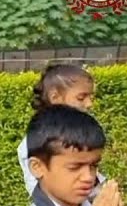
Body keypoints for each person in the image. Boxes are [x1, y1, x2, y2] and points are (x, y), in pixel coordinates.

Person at [19, 64, 97, 193]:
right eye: (81, 98)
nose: (89, 104)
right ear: (55, 98)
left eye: (91, 97)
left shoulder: (84, 134)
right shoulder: (36, 143)